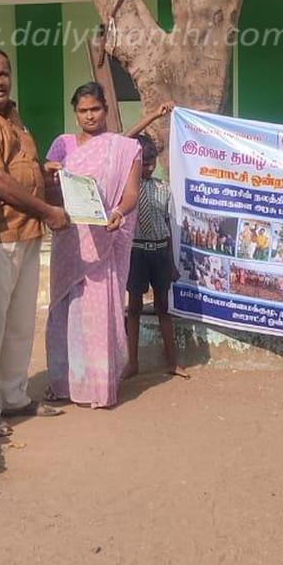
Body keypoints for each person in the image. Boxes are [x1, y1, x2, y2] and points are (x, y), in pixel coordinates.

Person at [0, 48, 70, 438]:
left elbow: (19, 168)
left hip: (26, 231)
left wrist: (43, 173)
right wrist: (49, 211)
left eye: (4, 74)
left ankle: (14, 396)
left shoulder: (11, 116)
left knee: (20, 323)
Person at [44, 82, 143, 409]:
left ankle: (98, 386)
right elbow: (47, 187)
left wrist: (118, 212)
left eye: (95, 109)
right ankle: (63, 382)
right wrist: (50, 173)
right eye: (83, 110)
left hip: (104, 237)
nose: (89, 116)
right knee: (68, 309)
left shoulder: (124, 148)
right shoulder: (63, 144)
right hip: (69, 239)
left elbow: (130, 193)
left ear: (105, 110)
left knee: (98, 310)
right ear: (75, 113)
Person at [126, 133, 188, 380]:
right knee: (134, 308)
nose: (149, 166)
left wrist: (171, 262)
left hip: (160, 252)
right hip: (137, 252)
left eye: (152, 161)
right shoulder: (126, 189)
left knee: (164, 307)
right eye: (144, 162)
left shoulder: (164, 188)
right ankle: (133, 363)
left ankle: (172, 362)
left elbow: (168, 226)